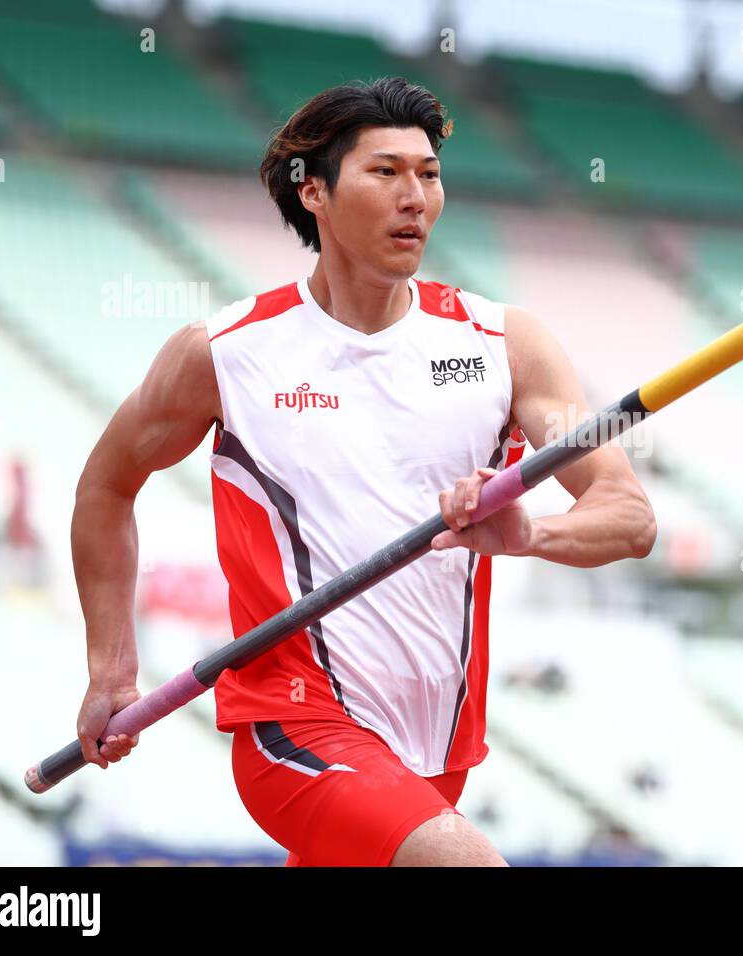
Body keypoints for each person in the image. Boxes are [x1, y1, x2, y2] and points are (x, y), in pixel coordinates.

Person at [69, 77, 657, 866]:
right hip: (294, 728)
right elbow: (106, 487)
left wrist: (528, 533)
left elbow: (628, 515)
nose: (415, 197)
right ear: (312, 190)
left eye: (430, 174)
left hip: (437, 750)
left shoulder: (505, 346)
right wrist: (111, 668)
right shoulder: (225, 355)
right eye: (386, 173)